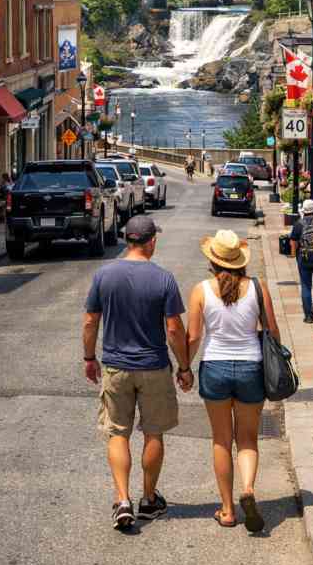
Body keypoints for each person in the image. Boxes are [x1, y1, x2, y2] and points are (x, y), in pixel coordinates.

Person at [83, 214, 191, 531]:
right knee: (153, 433)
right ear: (151, 242)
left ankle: (122, 499)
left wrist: (90, 357)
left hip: (116, 367)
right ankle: (147, 499)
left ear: (128, 240)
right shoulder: (163, 279)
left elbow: (90, 321)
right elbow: (174, 330)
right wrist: (185, 367)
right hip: (154, 367)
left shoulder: (104, 275)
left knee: (118, 433)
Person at [186, 229, 280, 531]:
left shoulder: (201, 290)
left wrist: (184, 367)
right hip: (251, 367)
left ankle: (227, 510)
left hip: (215, 367)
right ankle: (249, 489)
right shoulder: (256, 287)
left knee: (221, 440)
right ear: (239, 260)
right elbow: (273, 331)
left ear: (213, 261)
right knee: (248, 439)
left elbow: (195, 336)